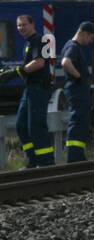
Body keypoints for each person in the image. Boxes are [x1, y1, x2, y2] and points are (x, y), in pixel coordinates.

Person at [6, 13, 55, 167]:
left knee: (36, 126)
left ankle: (46, 163)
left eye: (24, 24)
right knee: (21, 125)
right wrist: (13, 71)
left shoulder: (39, 41)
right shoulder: (28, 43)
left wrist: (17, 71)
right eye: (19, 25)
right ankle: (32, 160)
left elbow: (39, 63)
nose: (21, 28)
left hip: (39, 88)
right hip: (30, 88)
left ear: (32, 25)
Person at [59, 21, 94, 163]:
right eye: (90, 37)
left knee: (82, 123)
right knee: (78, 121)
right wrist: (79, 77)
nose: (91, 41)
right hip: (77, 88)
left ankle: (78, 156)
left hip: (79, 89)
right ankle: (74, 158)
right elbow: (66, 62)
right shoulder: (73, 46)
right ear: (83, 33)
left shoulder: (74, 47)